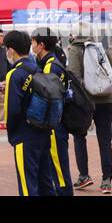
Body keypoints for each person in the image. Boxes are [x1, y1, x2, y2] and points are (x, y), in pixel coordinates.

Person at [67, 31, 112, 194]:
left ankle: (84, 176)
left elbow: (74, 76)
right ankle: (107, 180)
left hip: (85, 103)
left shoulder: (74, 49)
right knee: (105, 140)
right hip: (106, 100)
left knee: (79, 136)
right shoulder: (100, 47)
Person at [2, 30, 49, 196]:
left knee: (28, 185)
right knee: (45, 182)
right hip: (43, 131)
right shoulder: (37, 67)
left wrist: (12, 136)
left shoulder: (15, 74)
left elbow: (12, 110)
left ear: (11, 50)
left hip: (24, 135)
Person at [32, 31, 73, 196]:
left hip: (54, 125)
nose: (32, 46)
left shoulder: (50, 66)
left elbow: (48, 97)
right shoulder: (51, 62)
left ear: (41, 45)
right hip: (56, 123)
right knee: (54, 166)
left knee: (59, 168)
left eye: (33, 42)